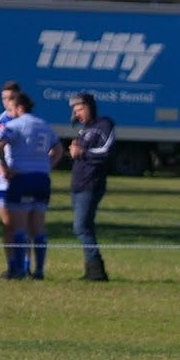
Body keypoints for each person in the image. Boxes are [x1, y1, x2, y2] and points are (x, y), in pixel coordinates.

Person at [0, 92, 63, 280]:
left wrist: (5, 168)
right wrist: (47, 165)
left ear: (19, 107)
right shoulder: (44, 125)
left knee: (20, 226)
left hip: (22, 178)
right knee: (38, 225)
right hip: (42, 178)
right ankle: (39, 270)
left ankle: (18, 269)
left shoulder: (15, 125)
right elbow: (58, 149)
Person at [69, 92, 115, 282]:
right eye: (74, 110)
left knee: (81, 226)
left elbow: (106, 151)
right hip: (78, 184)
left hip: (91, 184)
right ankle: (91, 270)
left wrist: (82, 152)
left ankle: (96, 270)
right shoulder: (85, 129)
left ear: (89, 106)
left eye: (80, 109)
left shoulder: (104, 125)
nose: (77, 114)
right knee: (84, 227)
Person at [0, 81, 24, 272]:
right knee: (8, 224)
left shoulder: (26, 121)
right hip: (2, 181)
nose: (7, 102)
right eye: (4, 98)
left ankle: (24, 265)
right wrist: (1, 169)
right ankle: (11, 266)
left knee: (23, 225)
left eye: (11, 98)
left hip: (23, 180)